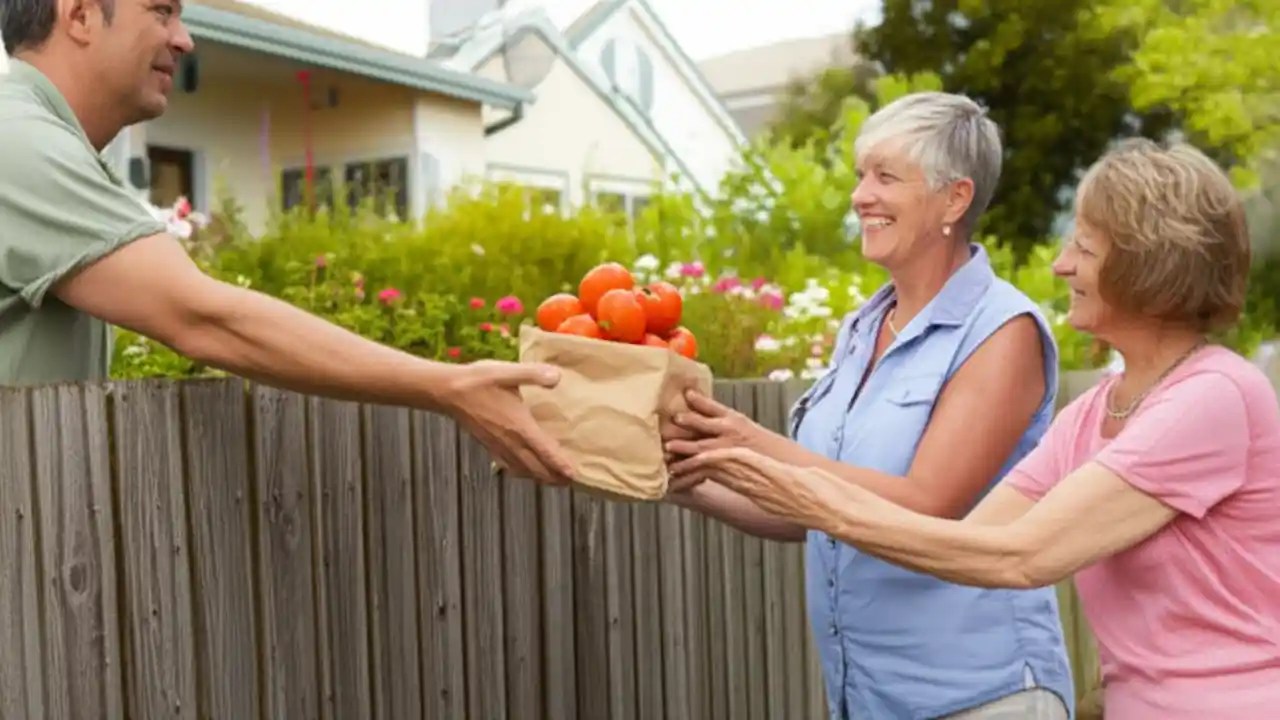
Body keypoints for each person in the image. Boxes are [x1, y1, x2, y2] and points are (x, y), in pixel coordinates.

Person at [675, 139, 1280, 719]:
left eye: (1086, 251)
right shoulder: (1095, 413)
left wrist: (809, 495)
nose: (1061, 263)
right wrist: (683, 474)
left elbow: (1022, 557)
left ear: (1153, 267)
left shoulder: (1213, 397)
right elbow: (958, 542)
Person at [0, 0, 574, 485]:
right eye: (161, 10)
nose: (184, 39)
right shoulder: (17, 141)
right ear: (77, 14)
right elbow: (200, 316)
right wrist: (451, 384)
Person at [663, 91, 1074, 719]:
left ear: (954, 199)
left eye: (886, 176)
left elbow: (927, 505)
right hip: (868, 701)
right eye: (861, 174)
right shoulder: (861, 331)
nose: (860, 195)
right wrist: (678, 479)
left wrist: (747, 441)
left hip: (982, 697)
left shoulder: (1001, 332)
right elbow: (817, 508)